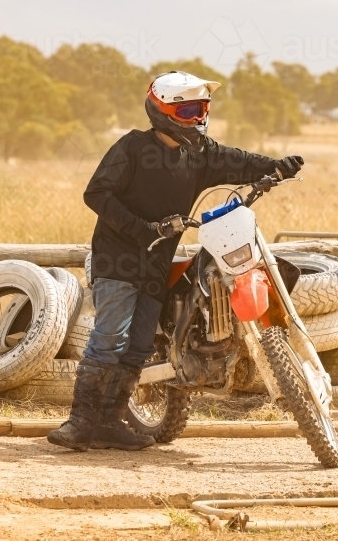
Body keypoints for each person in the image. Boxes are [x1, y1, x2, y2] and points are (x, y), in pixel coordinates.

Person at [47, 70, 303, 451]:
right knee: (110, 337)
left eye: (201, 109)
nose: (197, 118)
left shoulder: (200, 155)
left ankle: (109, 424)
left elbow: (240, 161)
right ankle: (80, 422)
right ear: (162, 111)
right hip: (118, 258)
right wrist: (144, 229)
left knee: (138, 345)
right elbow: (97, 195)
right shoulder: (132, 148)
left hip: (156, 263)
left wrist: (277, 166)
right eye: (187, 110)